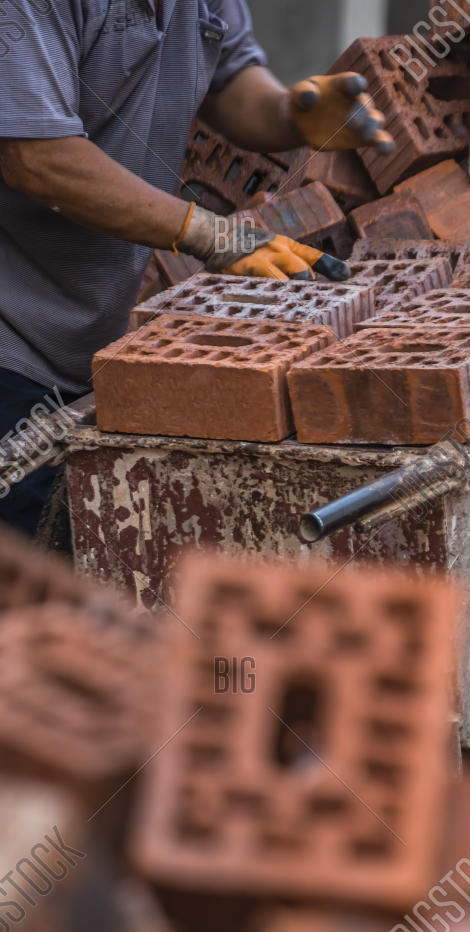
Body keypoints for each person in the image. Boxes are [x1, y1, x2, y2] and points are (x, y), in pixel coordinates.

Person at [0, 0, 391, 533]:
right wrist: (212, 235)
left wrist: (292, 116)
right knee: (24, 578)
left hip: (88, 327)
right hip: (12, 329)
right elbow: (36, 156)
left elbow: (230, 81)